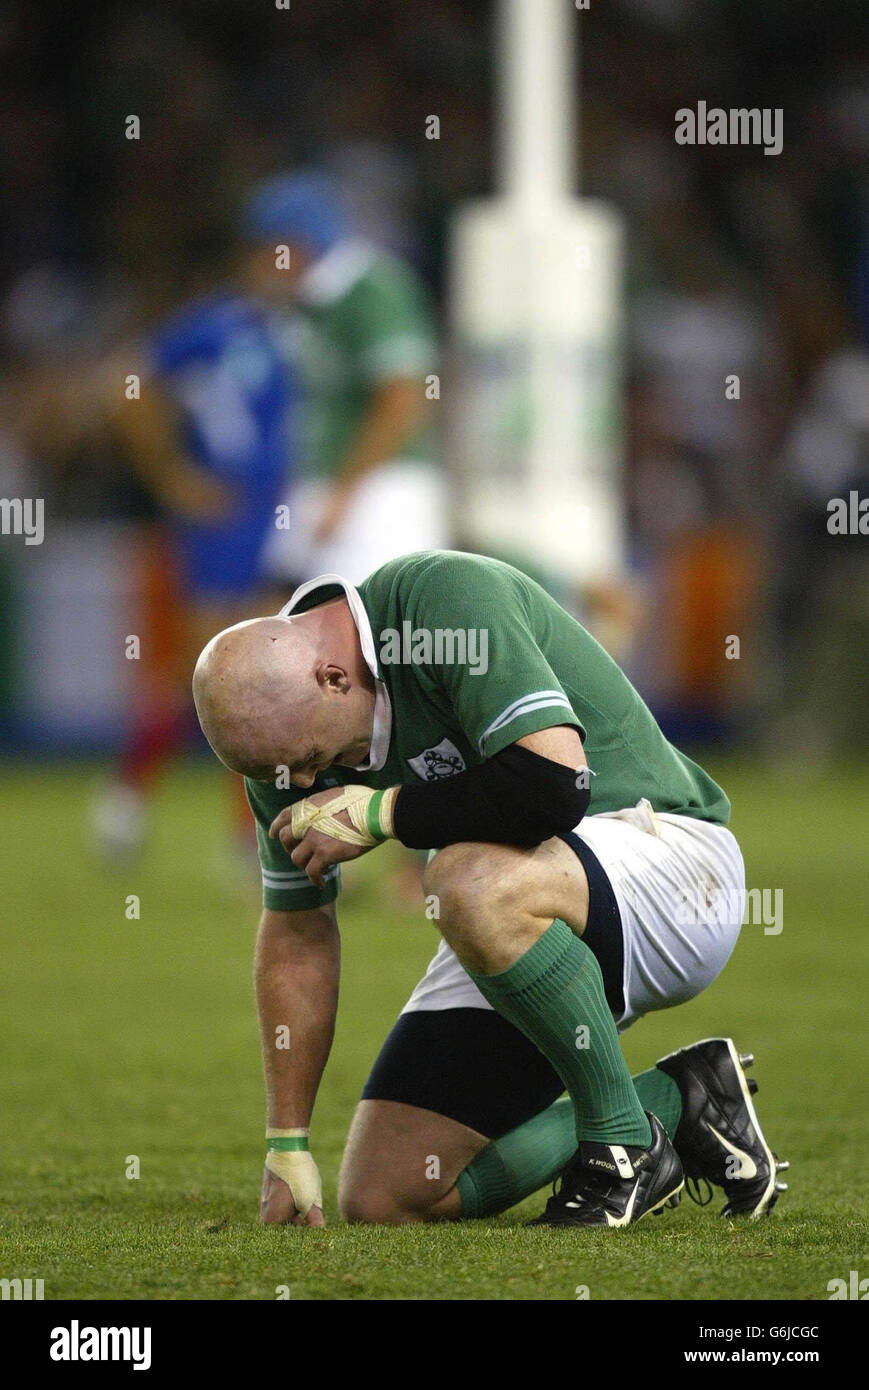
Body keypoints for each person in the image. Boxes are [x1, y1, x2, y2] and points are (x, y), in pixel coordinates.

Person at [192, 549, 787, 1228]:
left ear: (332, 677)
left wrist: (383, 813)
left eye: (306, 765)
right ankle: (684, 1096)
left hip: (675, 867)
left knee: (462, 881)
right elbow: (297, 934)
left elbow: (553, 787)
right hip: (524, 893)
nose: (301, 786)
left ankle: (620, 1145)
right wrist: (287, 1144)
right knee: (387, 1196)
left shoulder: (441, 599)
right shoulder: (281, 744)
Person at [92, 285, 294, 859]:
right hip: (230, 513)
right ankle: (133, 793)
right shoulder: (222, 325)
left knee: (277, 673)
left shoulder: (319, 325)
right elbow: (125, 383)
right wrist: (172, 476)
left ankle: (249, 834)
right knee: (211, 666)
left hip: (301, 510)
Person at [241, 170, 447, 585]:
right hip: (324, 487)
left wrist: (345, 493)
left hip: (380, 492)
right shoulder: (302, 303)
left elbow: (402, 399)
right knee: (293, 624)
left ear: (294, 244)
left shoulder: (371, 290)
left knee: (378, 630)